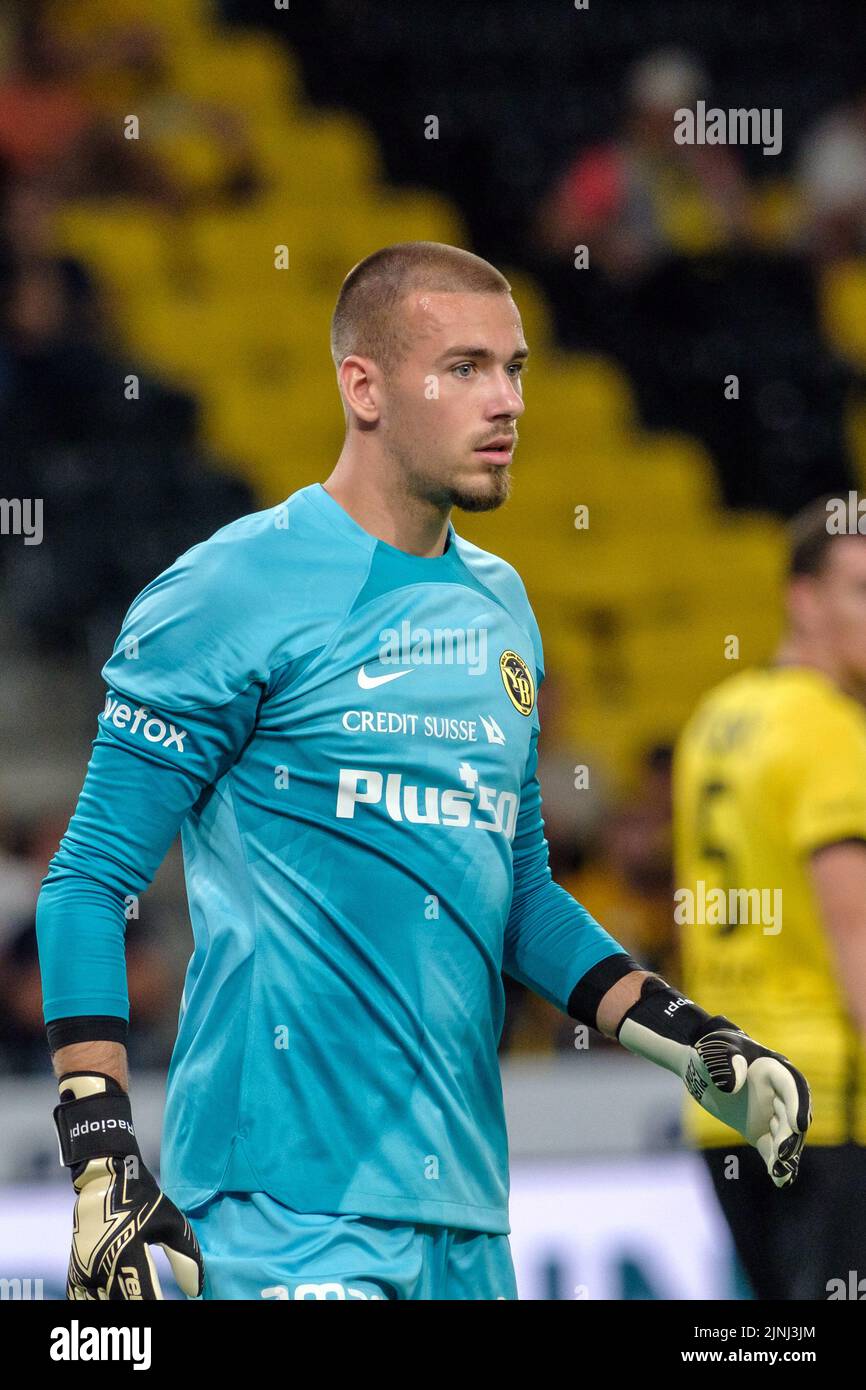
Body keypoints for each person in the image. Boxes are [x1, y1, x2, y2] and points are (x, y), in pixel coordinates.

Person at [36, 242, 810, 1302]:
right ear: (363, 386)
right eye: (463, 368)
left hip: (466, 1216)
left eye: (516, 367)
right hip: (284, 1214)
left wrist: (687, 1037)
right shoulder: (228, 588)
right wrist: (101, 1156)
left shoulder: (502, 607)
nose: (505, 402)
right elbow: (87, 881)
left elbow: (518, 893)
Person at [674, 495, 866, 1299]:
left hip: (725, 1104)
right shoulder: (829, 731)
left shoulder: (714, 719)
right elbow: (855, 936)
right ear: (803, 597)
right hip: (831, 1099)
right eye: (862, 590)